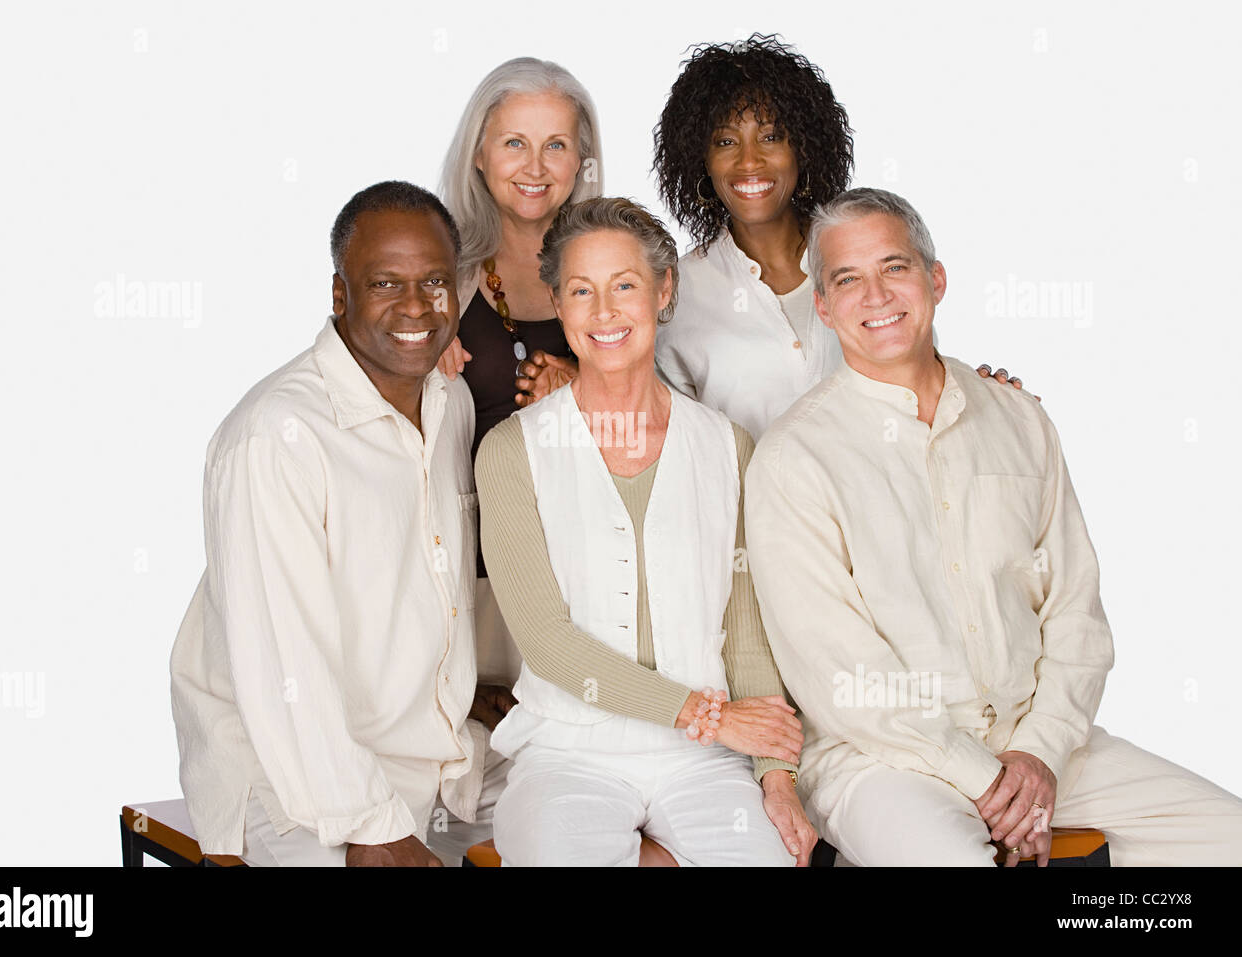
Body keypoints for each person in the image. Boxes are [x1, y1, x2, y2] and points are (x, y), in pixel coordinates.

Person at [745, 186, 1242, 865]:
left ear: (935, 279)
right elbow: (841, 677)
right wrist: (990, 779)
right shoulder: (793, 456)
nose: (877, 295)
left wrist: (1037, 752)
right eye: (847, 279)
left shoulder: (1020, 419)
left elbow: (1077, 611)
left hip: (1035, 742)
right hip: (884, 760)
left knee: (1228, 839)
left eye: (895, 266)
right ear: (824, 307)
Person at [169, 181, 503, 867]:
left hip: (438, 754)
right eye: (385, 283)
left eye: (435, 282)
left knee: (611, 815)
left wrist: (459, 685)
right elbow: (283, 665)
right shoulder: (273, 438)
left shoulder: (451, 404)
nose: (415, 307)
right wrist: (369, 824)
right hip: (293, 782)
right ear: (339, 295)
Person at [476, 196, 813, 866]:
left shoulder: (725, 446)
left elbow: (744, 631)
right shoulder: (513, 451)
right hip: (568, 754)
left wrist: (778, 776)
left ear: (664, 290)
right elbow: (547, 642)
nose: (604, 312)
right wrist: (707, 713)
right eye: (581, 290)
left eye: (624, 285)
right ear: (559, 303)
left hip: (703, 764)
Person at [652, 34, 1024, 440]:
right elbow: (684, 451)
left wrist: (985, 398)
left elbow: (922, 385)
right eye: (725, 141)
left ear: (803, 147)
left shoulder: (867, 255)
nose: (749, 161)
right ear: (699, 159)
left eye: (771, 136)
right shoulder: (678, 295)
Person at [436, 56, 600, 688]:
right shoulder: (437, 273)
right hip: (462, 584)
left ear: (582, 160)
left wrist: (584, 393)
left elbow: (666, 409)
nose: (535, 168)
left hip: (585, 581)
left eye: (556, 145)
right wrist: (418, 356)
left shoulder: (613, 264)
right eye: (514, 144)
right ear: (479, 153)